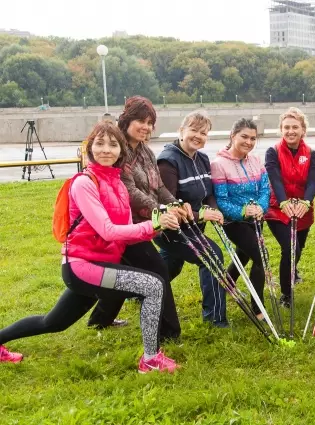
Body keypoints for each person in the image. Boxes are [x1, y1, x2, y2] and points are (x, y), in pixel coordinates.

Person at [0, 121, 180, 373]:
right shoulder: (84, 183)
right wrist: (152, 225)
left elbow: (125, 235)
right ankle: (150, 359)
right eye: (100, 143)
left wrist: (161, 225)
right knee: (153, 285)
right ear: (90, 148)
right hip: (82, 266)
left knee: (53, 322)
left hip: (98, 266)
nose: (106, 149)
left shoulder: (117, 183)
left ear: (121, 151)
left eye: (113, 144)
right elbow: (107, 230)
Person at [87, 96, 182, 342]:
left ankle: (100, 320)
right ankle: (169, 333)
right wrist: (160, 211)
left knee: (124, 272)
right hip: (123, 226)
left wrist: (174, 204)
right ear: (127, 119)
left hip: (143, 224)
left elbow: (158, 186)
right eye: (141, 120)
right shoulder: (118, 150)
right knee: (157, 268)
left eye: (150, 122)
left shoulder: (146, 151)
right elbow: (128, 190)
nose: (146, 127)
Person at [156, 110, 228, 327]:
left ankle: (141, 291)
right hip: (171, 230)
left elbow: (208, 193)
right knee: (212, 255)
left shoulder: (202, 158)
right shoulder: (167, 162)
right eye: (194, 130)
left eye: (203, 133)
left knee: (170, 265)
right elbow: (169, 206)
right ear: (181, 131)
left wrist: (212, 209)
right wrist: (200, 215)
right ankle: (215, 318)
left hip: (194, 227)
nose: (198, 136)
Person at [210, 118, 271, 318]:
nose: (249, 142)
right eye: (244, 136)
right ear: (233, 135)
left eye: (253, 138)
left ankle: (227, 282)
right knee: (261, 256)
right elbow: (221, 201)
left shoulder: (255, 159)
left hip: (256, 219)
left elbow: (265, 188)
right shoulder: (219, 164)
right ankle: (257, 307)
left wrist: (260, 208)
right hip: (234, 221)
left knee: (244, 254)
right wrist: (244, 212)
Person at [264, 107, 315, 307]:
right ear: (281, 130)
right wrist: (284, 202)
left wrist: (305, 202)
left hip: (303, 209)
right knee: (290, 247)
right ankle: (286, 295)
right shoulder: (273, 152)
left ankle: (292, 271)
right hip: (278, 209)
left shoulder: (312, 154)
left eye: (295, 127)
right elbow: (275, 180)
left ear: (303, 129)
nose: (290, 131)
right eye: (286, 127)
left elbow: (313, 181)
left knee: (299, 247)